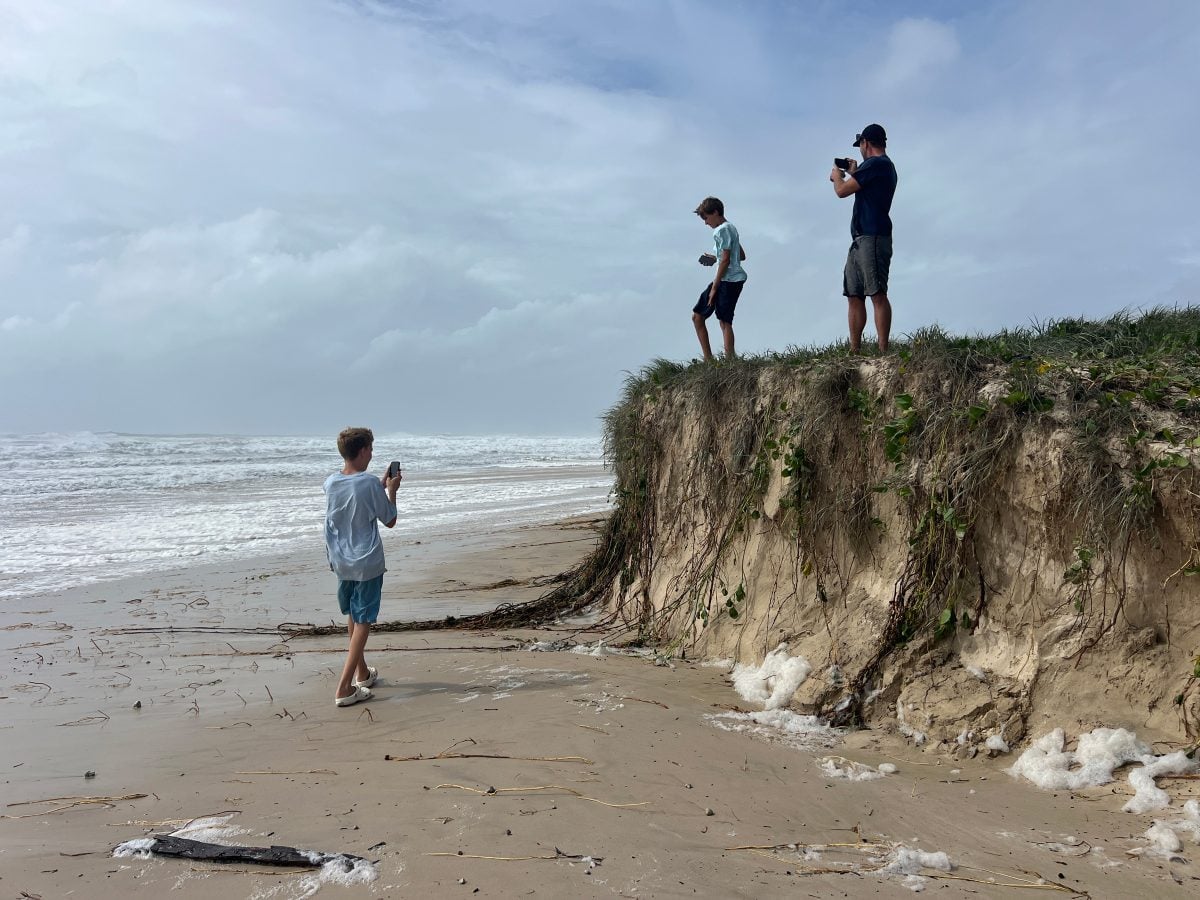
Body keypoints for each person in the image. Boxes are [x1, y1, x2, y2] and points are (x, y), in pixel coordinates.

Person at [323, 426, 401, 707]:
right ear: (362, 450)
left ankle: (362, 673)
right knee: (364, 620)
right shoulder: (368, 484)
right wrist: (391, 491)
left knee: (354, 616)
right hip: (366, 560)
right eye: (370, 448)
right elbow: (389, 519)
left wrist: (378, 487)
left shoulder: (331, 482)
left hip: (341, 559)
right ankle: (344, 687)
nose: (372, 452)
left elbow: (353, 500)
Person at [830, 123, 898, 353]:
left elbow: (841, 191)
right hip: (862, 238)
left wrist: (836, 176)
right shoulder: (881, 167)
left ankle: (882, 350)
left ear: (865, 143)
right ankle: (855, 350)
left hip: (873, 236)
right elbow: (864, 185)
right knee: (854, 294)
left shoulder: (876, 164)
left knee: (877, 293)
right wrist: (854, 172)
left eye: (860, 144)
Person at [692, 196, 747, 361]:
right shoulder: (731, 228)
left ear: (715, 212)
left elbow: (727, 259)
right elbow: (741, 256)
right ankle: (711, 361)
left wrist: (714, 287)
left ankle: (729, 361)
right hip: (730, 279)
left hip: (726, 281)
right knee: (699, 316)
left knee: (724, 321)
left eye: (706, 218)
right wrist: (716, 256)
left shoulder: (721, 230)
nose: (705, 223)